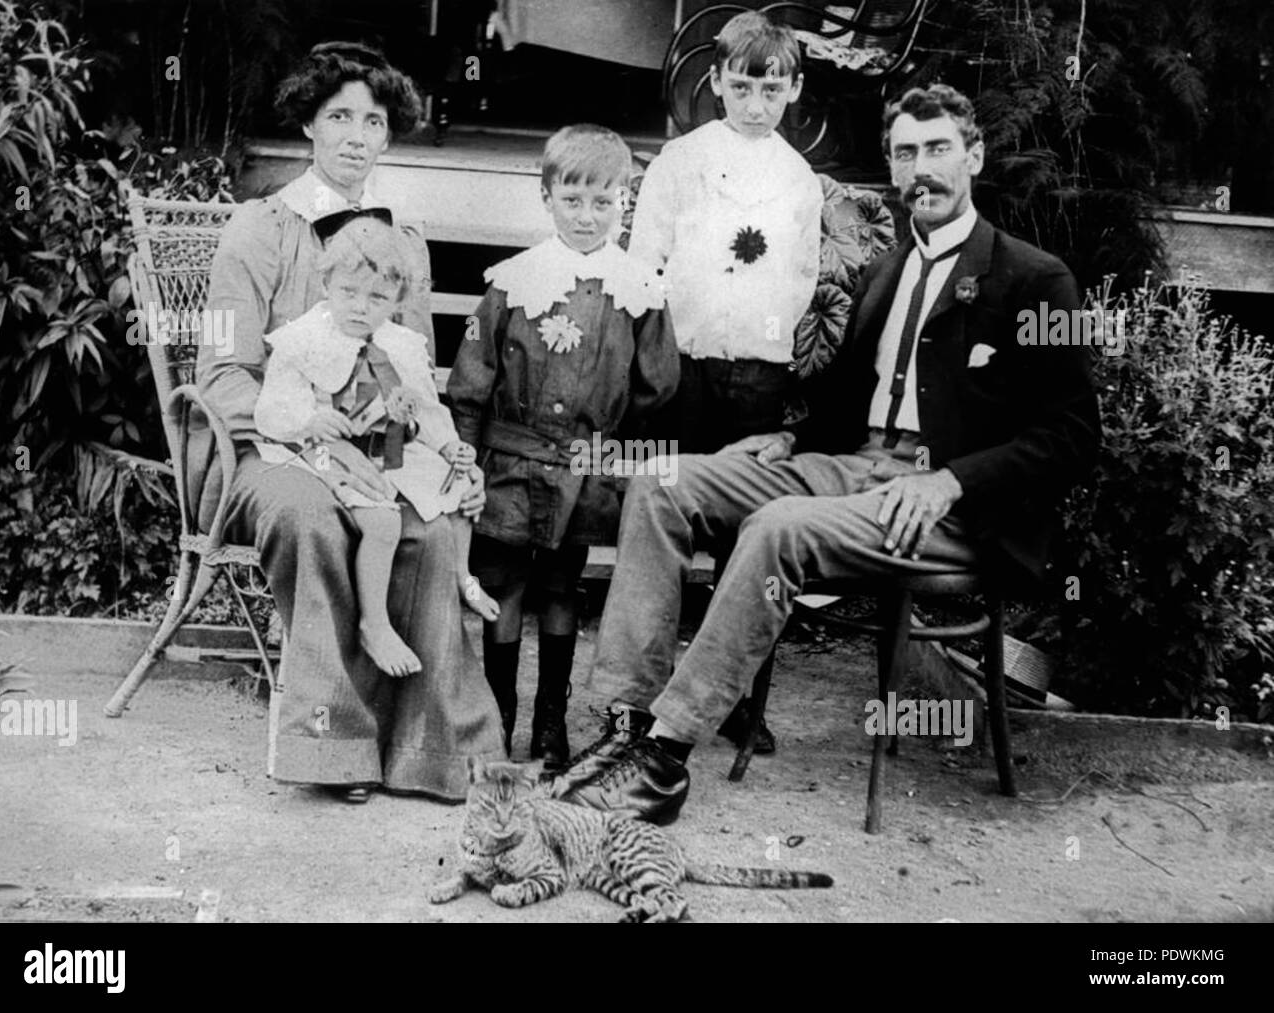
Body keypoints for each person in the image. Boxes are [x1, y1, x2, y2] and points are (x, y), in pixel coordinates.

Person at [549, 84, 1102, 826]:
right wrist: (790, 440)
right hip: (854, 467)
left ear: (974, 155)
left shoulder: (1037, 278)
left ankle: (664, 757)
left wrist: (950, 482)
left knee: (780, 526)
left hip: (950, 509)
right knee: (662, 480)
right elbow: (848, 404)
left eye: (938, 149)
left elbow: (1073, 435)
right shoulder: (888, 269)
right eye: (906, 154)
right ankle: (625, 719)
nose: (922, 169)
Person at [192, 42, 505, 804]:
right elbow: (222, 375)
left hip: (376, 447)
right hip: (257, 447)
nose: (356, 135)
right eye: (338, 117)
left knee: (427, 525)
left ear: (390, 134)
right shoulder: (260, 227)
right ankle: (334, 747)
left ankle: (435, 753)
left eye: (373, 120)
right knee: (316, 517)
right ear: (309, 125)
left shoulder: (401, 242)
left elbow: (411, 374)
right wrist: (310, 431)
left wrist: (442, 459)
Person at [447, 124, 679, 770]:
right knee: (503, 583)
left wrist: (604, 446)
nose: (586, 216)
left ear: (624, 204)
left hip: (582, 468)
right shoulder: (512, 284)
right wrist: (467, 461)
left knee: (559, 587)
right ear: (545, 197)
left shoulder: (638, 290)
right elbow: (471, 385)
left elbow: (656, 386)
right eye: (572, 200)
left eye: (603, 202)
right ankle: (497, 717)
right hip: (510, 465)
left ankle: (552, 720)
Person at [627, 10, 824, 753]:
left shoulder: (799, 179)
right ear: (715, 82)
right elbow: (649, 258)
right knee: (666, 518)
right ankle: (649, 694)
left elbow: (800, 276)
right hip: (685, 367)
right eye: (741, 87)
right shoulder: (681, 162)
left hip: (759, 376)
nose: (754, 104)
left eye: (771, 90)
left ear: (794, 90)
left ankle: (739, 696)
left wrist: (770, 348)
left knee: (750, 539)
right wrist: (661, 354)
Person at [253, 217, 500, 677]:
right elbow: (270, 411)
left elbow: (426, 411)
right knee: (383, 521)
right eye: (348, 293)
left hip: (385, 449)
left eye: (377, 298)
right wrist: (309, 419)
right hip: (319, 450)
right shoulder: (303, 340)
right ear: (327, 283)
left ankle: (463, 575)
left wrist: (449, 447)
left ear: (397, 300)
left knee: (459, 488)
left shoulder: (400, 345)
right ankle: (374, 622)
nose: (360, 308)